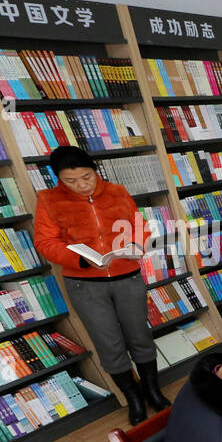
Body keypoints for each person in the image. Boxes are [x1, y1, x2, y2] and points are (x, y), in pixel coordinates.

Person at [33, 144, 163, 425]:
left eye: (86, 177)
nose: (80, 185)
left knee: (140, 335)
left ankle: (153, 390)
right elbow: (45, 242)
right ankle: (134, 398)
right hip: (84, 284)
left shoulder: (117, 192)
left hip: (127, 276)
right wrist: (80, 260)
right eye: (70, 181)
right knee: (109, 344)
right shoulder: (48, 200)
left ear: (95, 170)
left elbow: (139, 226)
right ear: (58, 178)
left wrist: (136, 243)